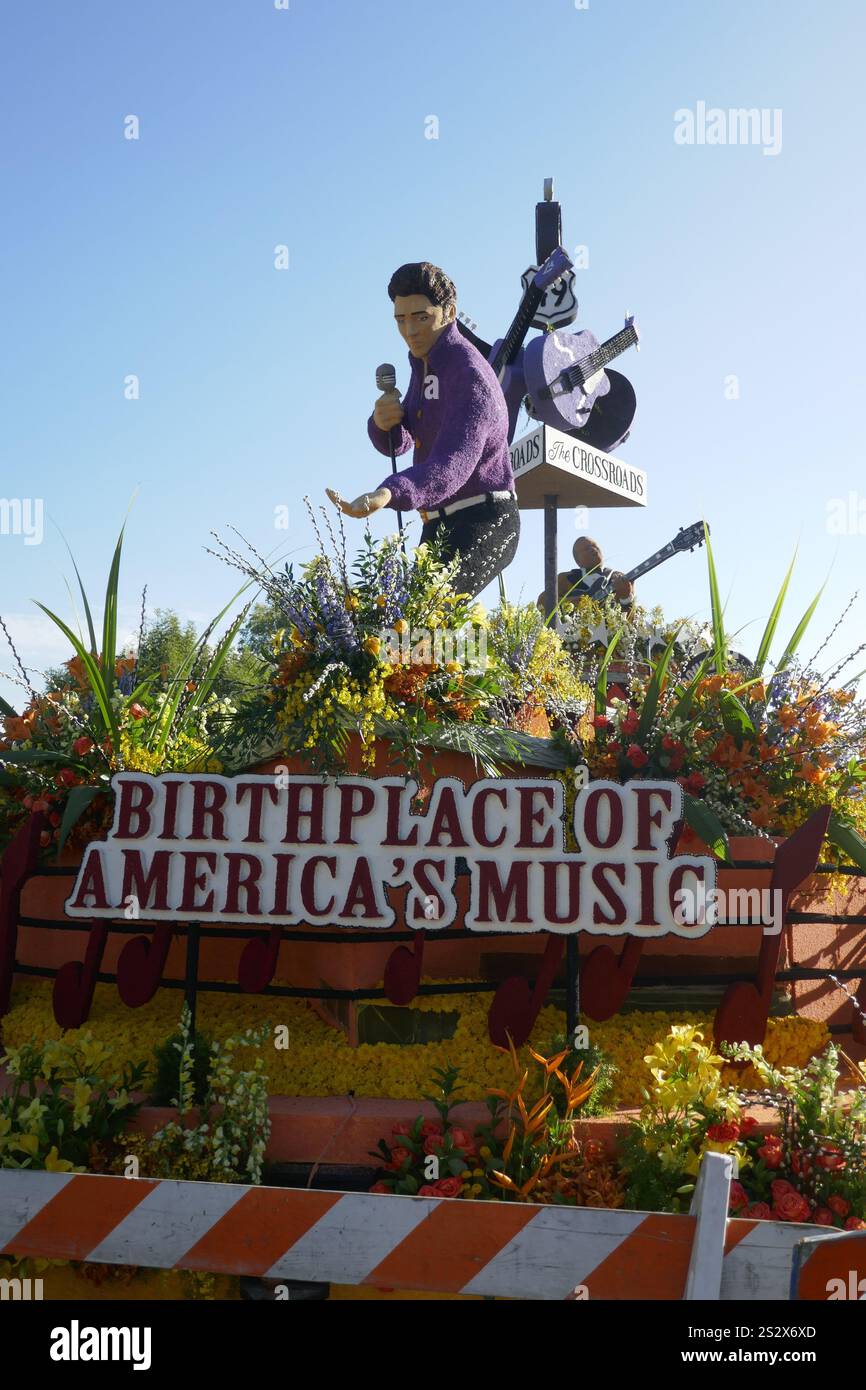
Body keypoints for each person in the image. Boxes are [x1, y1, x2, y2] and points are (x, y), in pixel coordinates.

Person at [326, 262, 520, 599]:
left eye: (421, 317)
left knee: (423, 629)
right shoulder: (424, 365)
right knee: (404, 631)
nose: (410, 330)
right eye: (400, 320)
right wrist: (383, 423)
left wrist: (389, 493)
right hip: (438, 522)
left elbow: (451, 464)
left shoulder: (470, 374)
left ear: (449, 312)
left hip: (485, 519)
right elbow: (403, 442)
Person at [537, 536, 635, 615]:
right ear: (578, 561)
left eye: (595, 546)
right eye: (587, 549)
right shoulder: (565, 579)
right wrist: (570, 603)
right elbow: (542, 602)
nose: (593, 550)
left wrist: (626, 598)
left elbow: (630, 620)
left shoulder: (618, 578)